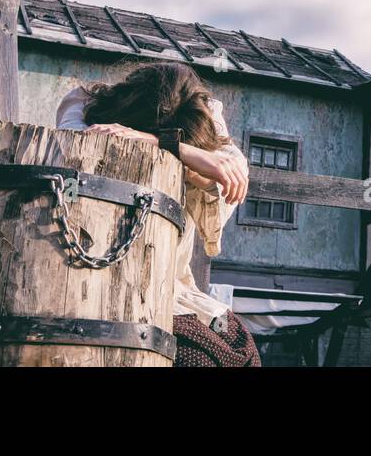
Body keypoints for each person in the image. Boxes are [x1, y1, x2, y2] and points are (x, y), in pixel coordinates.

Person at [55, 61, 261, 367]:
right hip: (97, 283)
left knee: (241, 349)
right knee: (197, 359)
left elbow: (231, 172)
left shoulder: (202, 112)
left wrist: (167, 145)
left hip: (170, 286)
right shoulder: (85, 103)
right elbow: (74, 143)